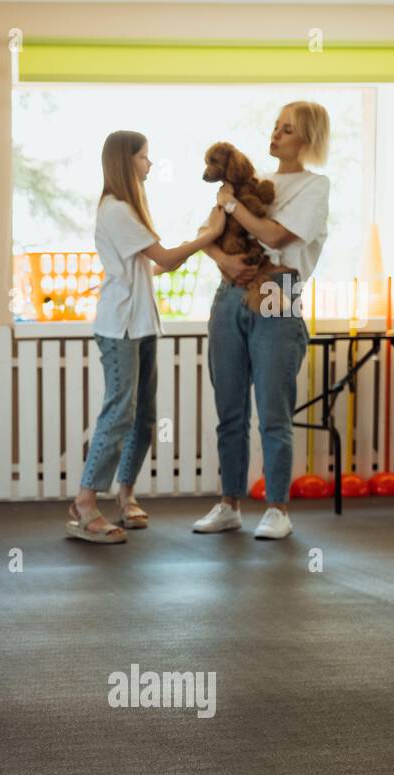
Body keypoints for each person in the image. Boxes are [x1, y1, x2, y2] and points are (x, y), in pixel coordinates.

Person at [67, 131, 225, 543]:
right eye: (144, 157)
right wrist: (210, 233)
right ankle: (85, 503)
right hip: (119, 328)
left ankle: (125, 493)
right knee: (119, 413)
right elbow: (169, 259)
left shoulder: (131, 209)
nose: (150, 165)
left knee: (146, 419)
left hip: (143, 324)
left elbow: (151, 268)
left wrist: (129, 277)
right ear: (126, 161)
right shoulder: (117, 209)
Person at [195, 102, 331, 540]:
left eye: (286, 129)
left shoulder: (314, 186)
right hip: (231, 291)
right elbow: (206, 237)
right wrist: (226, 264)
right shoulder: (255, 183)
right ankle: (229, 503)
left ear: (306, 139)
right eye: (274, 127)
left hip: (276, 291)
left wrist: (231, 203)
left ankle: (277, 508)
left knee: (273, 411)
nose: (275, 135)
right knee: (229, 409)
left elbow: (275, 236)